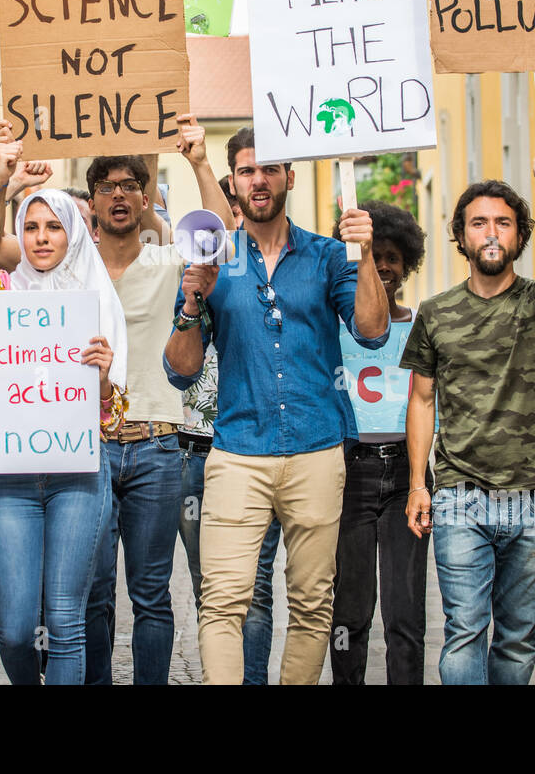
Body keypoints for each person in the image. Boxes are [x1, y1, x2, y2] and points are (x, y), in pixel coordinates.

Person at [0, 116, 233, 685]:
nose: (118, 195)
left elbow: (221, 235)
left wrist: (197, 161)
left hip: (156, 446)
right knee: (90, 596)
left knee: (151, 593)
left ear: (147, 198)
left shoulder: (171, 262)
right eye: (106, 187)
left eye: (129, 186)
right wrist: (6, 178)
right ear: (90, 203)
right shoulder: (68, 270)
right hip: (85, 447)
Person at [164, 126, 389, 685]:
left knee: (313, 605)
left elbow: (374, 332)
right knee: (222, 601)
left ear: (289, 176)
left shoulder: (330, 255)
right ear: (234, 183)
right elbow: (180, 369)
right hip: (238, 451)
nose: (258, 179)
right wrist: (193, 301)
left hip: (317, 448)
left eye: (268, 169)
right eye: (245, 171)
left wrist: (364, 256)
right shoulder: (212, 260)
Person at [401, 148, 535, 685]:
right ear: (462, 236)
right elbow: (421, 400)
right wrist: (418, 484)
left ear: (521, 236)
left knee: (519, 639)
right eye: (479, 223)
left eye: (504, 223)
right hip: (460, 495)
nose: (492, 232)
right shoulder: (436, 313)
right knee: (465, 630)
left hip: (532, 495)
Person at [0, 188, 125, 684]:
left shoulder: (97, 300)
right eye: (31, 226)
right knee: (16, 632)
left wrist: (104, 379)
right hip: (13, 478)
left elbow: (114, 418)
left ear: (73, 232)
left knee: (65, 622)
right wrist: (2, 178)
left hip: (79, 477)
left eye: (54, 226)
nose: (41, 237)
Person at [178, 174, 280, 685]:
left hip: (258, 449)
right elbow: (180, 365)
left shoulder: (268, 280)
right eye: (221, 222)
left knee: (255, 588)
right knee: (213, 589)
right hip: (197, 451)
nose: (231, 231)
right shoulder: (192, 278)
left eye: (236, 218)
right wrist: (194, 299)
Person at [329, 200, 430, 685]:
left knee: (405, 611)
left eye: (393, 256)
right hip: (348, 471)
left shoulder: (421, 326)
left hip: (407, 475)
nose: (384, 265)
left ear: (407, 262)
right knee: (349, 608)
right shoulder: (338, 323)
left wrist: (419, 481)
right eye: (374, 255)